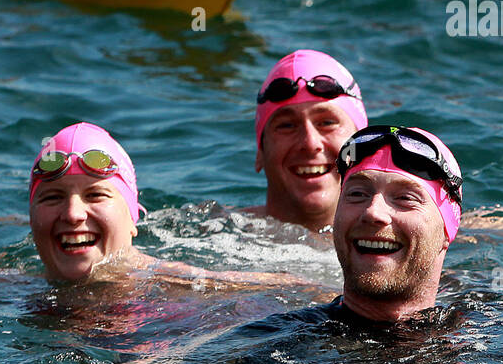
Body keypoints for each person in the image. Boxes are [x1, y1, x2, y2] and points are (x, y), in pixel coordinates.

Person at [30, 122, 302, 288]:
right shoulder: (9, 288)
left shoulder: (183, 286)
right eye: (53, 197)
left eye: (95, 195)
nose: (73, 214)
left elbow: (299, 291)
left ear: (133, 218)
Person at [325, 125, 464, 323]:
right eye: (357, 194)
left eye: (405, 198)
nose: (373, 212)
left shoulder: (501, 337)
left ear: (447, 230)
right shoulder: (281, 341)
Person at [245, 49, 367, 233]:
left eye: (327, 123)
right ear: (260, 152)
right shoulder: (213, 234)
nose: (310, 144)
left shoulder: (401, 246)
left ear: (363, 146)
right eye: (287, 126)